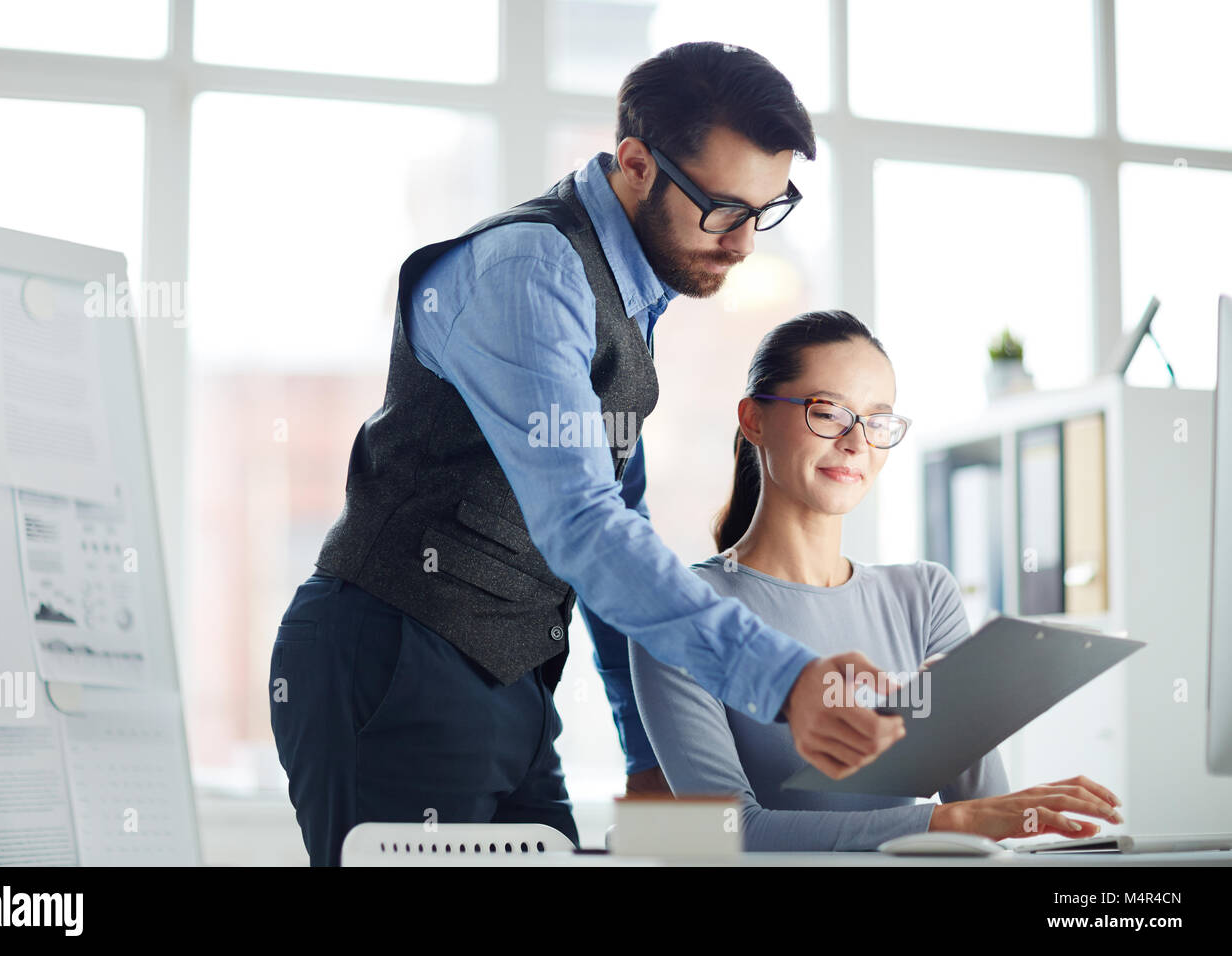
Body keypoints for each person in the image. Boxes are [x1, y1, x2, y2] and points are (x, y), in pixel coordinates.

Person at [270, 43, 907, 866]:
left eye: (766, 208)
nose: (746, 243)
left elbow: (620, 518)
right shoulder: (533, 271)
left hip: (513, 684)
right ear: (636, 164)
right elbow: (583, 524)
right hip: (394, 658)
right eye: (722, 209)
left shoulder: (630, 290)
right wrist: (786, 681)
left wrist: (645, 756)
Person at [630, 310, 1125, 850]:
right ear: (754, 420)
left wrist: (955, 711)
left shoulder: (925, 596)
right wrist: (945, 823)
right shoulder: (681, 613)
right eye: (829, 412)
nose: (856, 442)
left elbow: (983, 814)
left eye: (878, 420)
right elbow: (734, 835)